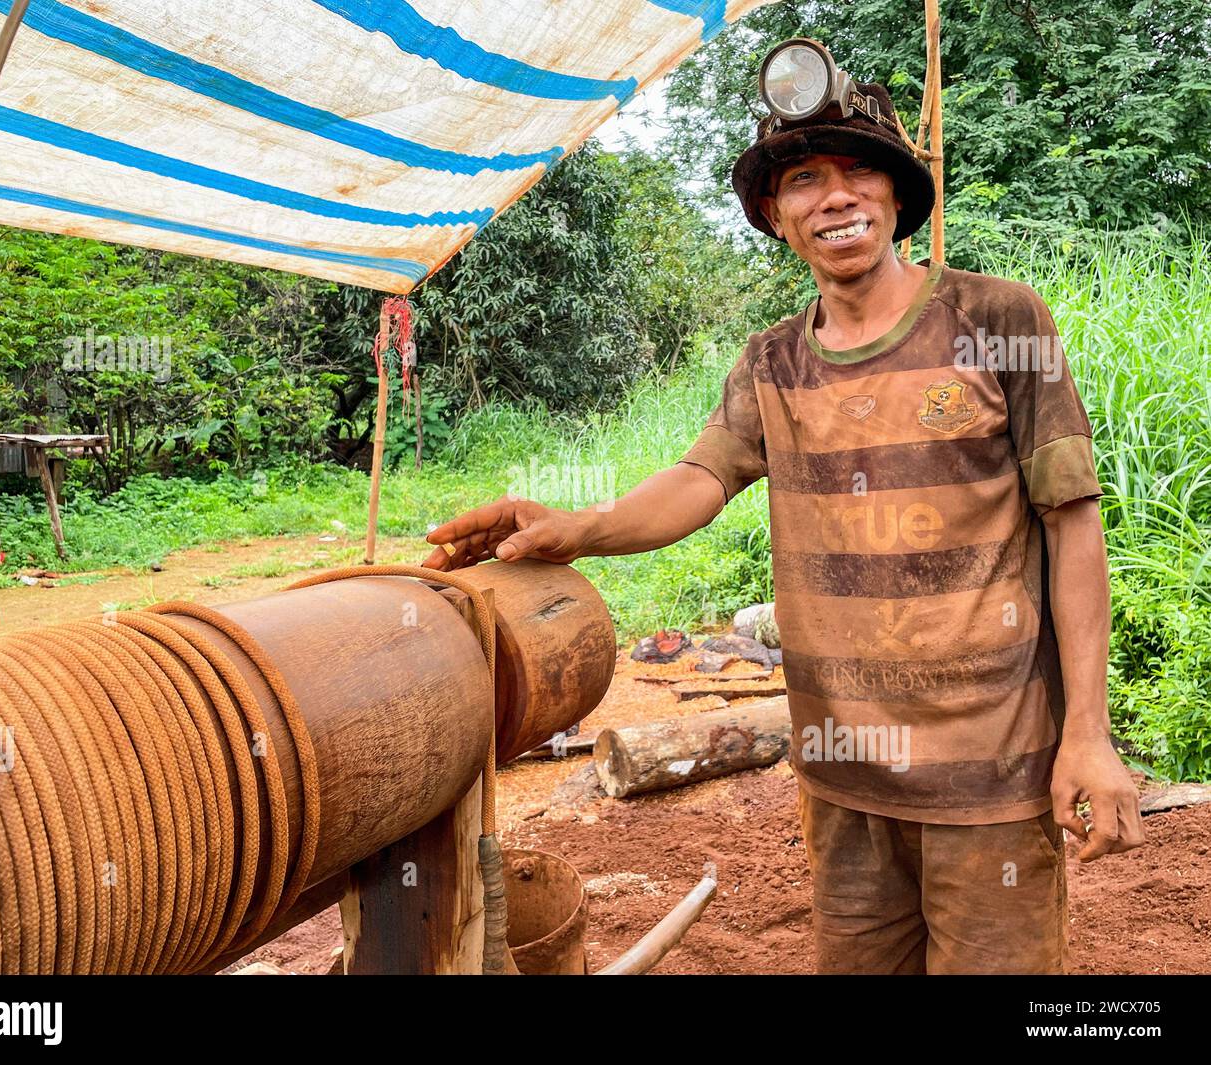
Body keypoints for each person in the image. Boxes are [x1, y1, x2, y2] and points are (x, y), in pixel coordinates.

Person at [422, 49, 1144, 975]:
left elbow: (1073, 524)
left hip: (993, 782)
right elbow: (699, 478)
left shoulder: (1000, 319)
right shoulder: (772, 363)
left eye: (859, 170)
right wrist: (575, 527)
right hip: (842, 781)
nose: (835, 197)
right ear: (775, 213)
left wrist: (1088, 732)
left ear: (896, 197)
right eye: (805, 178)